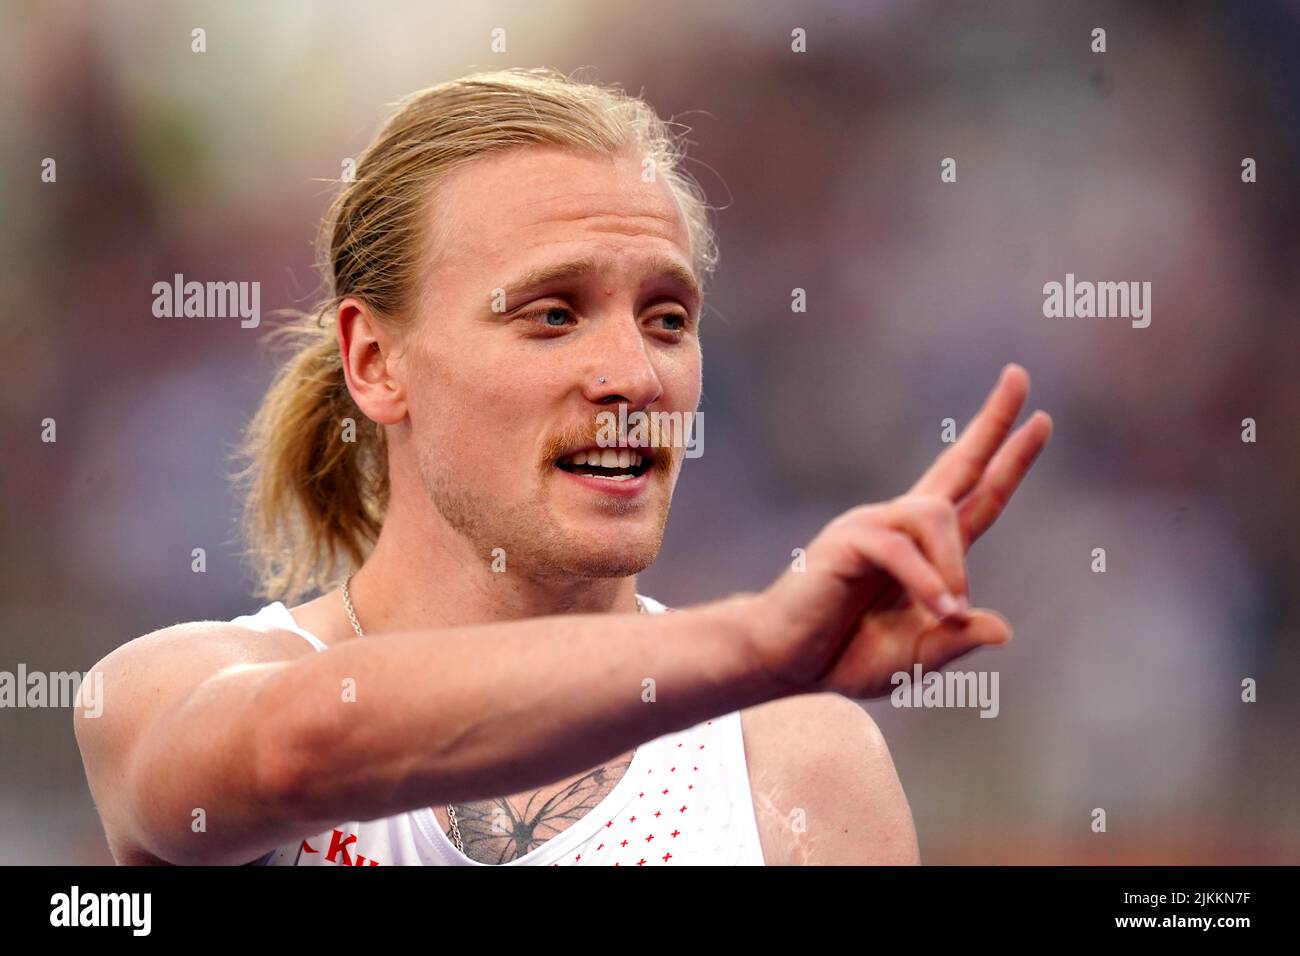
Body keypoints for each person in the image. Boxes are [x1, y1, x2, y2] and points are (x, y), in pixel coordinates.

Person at [73, 67, 1051, 866]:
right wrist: (755, 645)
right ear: (375, 361)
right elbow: (303, 745)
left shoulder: (796, 765)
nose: (633, 374)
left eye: (667, 318)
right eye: (552, 312)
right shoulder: (164, 689)